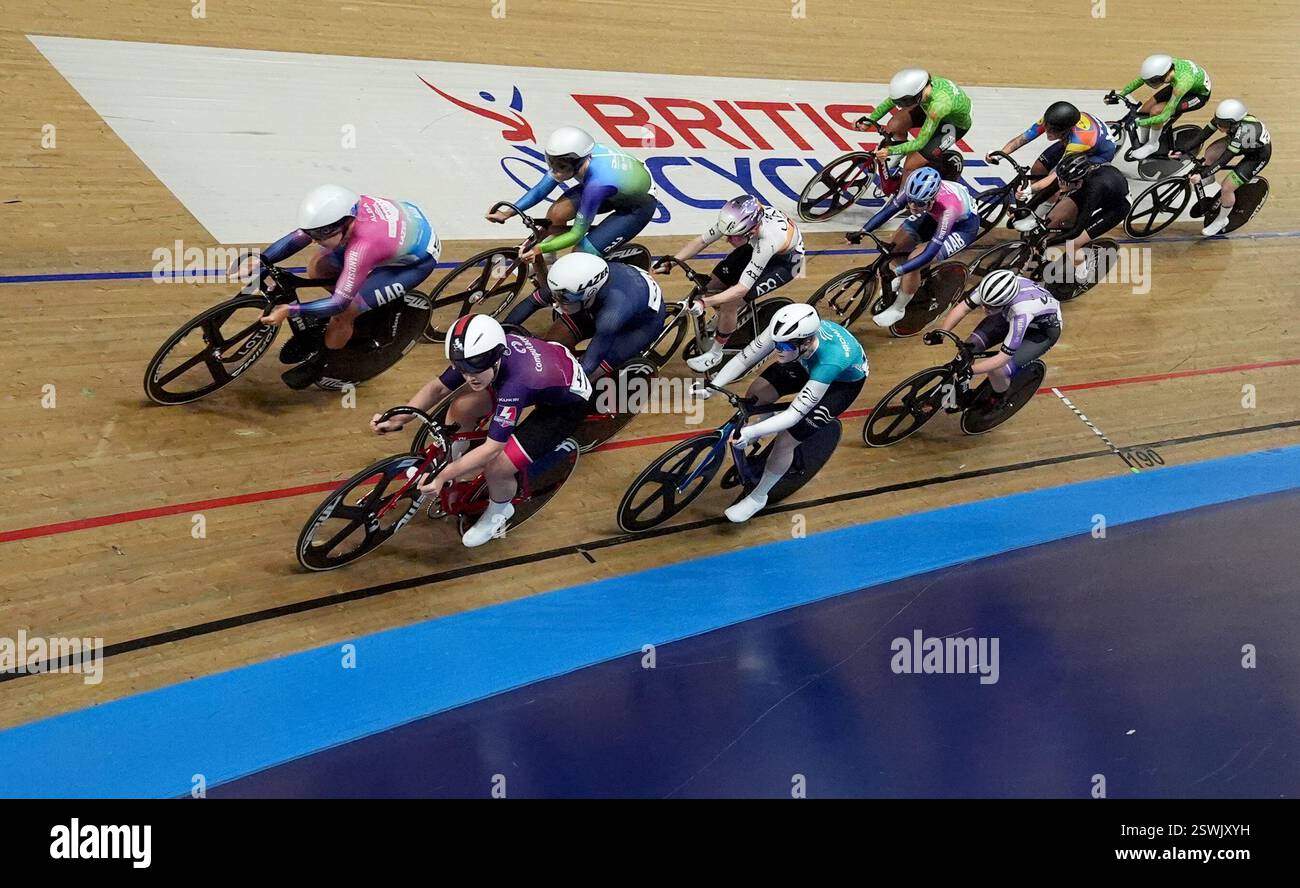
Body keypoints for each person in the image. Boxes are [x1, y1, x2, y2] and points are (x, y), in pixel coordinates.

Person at [371, 315, 592, 548]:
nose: (468, 377)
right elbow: (437, 389)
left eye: (474, 370)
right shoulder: (475, 355)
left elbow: (492, 449)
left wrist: (445, 475)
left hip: (564, 408)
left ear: (495, 358)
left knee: (498, 466)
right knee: (461, 407)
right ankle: (449, 459)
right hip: (547, 369)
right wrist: (400, 418)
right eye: (462, 370)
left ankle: (499, 512)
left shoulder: (517, 382)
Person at [251, 185, 440, 388]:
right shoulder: (342, 214)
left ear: (345, 225)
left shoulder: (363, 247)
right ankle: (362, 308)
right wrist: (261, 259)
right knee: (318, 267)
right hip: (398, 230)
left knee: (345, 311)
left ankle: (322, 363)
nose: (313, 241)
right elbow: (302, 236)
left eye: (319, 237)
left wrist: (290, 310)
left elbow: (339, 304)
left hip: (415, 261)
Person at [697, 304, 867, 523]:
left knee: (787, 439)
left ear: (806, 342)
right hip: (803, 363)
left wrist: (751, 432)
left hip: (839, 383)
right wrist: (713, 386)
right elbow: (745, 358)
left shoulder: (830, 360)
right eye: (776, 343)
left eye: (784, 345)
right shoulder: (784, 332)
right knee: (756, 395)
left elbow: (794, 415)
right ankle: (761, 428)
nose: (777, 349)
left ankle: (758, 497)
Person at [655, 195, 805, 371]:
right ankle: (720, 320)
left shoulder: (767, 242)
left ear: (750, 231)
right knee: (710, 285)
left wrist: (705, 302)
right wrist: (672, 262)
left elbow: (741, 289)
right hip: (754, 245)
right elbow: (702, 240)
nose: (727, 240)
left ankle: (716, 353)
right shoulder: (737, 219)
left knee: (730, 304)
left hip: (787, 263)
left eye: (732, 237)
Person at [486, 126, 657, 260]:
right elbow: (539, 190)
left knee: (581, 251)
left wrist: (540, 248)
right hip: (617, 186)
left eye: (562, 166)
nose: (556, 171)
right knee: (555, 215)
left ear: (579, 161)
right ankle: (548, 261)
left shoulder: (596, 185)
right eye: (552, 163)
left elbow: (576, 234)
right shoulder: (572, 157)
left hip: (636, 206)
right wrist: (508, 213)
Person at [503, 252, 666, 381]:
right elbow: (531, 303)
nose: (557, 303)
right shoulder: (567, 284)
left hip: (640, 325)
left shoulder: (611, 316)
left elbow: (587, 366)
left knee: (591, 376)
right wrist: (502, 330)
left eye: (564, 299)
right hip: (601, 301)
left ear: (588, 292)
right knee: (553, 342)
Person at [851, 166, 980, 328]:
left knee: (914, 262)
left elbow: (931, 250)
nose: (912, 206)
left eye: (918, 203)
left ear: (932, 198)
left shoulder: (949, 208)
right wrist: (863, 231)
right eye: (910, 200)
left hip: (961, 228)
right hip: (932, 215)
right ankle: (909, 282)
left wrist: (903, 269)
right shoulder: (915, 193)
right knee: (894, 247)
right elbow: (889, 210)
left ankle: (899, 308)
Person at [926, 269, 1061, 409]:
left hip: (1041, 332)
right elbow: (962, 309)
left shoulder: (1022, 312)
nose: (985, 309)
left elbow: (1003, 358)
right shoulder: (991, 286)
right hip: (1007, 314)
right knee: (969, 347)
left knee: (998, 370)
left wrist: (971, 370)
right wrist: (941, 332)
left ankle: (999, 398)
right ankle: (960, 390)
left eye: (990, 307)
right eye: (984, 304)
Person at [988, 101, 1116, 203]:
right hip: (1074, 138)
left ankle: (1051, 208)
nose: (1048, 132)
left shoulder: (1078, 141)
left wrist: (1030, 190)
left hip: (1098, 153)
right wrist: (1000, 154)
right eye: (1047, 128)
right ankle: (1037, 200)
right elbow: (1022, 139)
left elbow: (1056, 175)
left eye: (1053, 131)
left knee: (1059, 184)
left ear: (1066, 130)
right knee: (1038, 168)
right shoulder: (1050, 120)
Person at [855, 69, 973, 178]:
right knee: (894, 126)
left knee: (910, 165)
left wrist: (890, 150)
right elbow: (891, 102)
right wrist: (868, 121)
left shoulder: (939, 106)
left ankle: (904, 200)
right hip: (931, 108)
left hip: (953, 123)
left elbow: (919, 143)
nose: (900, 106)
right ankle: (898, 157)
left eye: (904, 102)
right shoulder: (919, 88)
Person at [1179, 99, 1272, 236]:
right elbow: (1203, 135)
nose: (1219, 126)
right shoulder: (1225, 119)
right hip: (1239, 142)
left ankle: (1222, 220)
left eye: (1223, 124)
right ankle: (1210, 179)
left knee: (1227, 187)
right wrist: (1183, 150)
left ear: (1235, 123)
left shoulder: (1244, 132)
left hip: (1256, 157)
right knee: (1210, 154)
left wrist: (1202, 175)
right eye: (1218, 121)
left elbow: (1224, 160)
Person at [1106, 54, 1212, 160]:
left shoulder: (1181, 84)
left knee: (1157, 111)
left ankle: (1153, 144)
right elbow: (1141, 80)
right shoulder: (1163, 68)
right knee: (1144, 110)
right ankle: (1144, 143)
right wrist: (1121, 94)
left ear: (1165, 75)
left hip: (1198, 96)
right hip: (1184, 82)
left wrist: (1139, 123)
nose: (1151, 84)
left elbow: (1164, 116)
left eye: (1153, 81)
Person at [1042, 153, 1130, 269]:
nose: (1060, 185)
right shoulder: (1073, 175)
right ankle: (1042, 259)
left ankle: (1081, 275)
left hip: (1117, 208)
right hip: (1100, 191)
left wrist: (1048, 243)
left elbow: (1077, 230)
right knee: (1053, 218)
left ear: (1078, 182)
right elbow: (1048, 191)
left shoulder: (1094, 189)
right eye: (1060, 180)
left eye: (1065, 183)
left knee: (1073, 244)